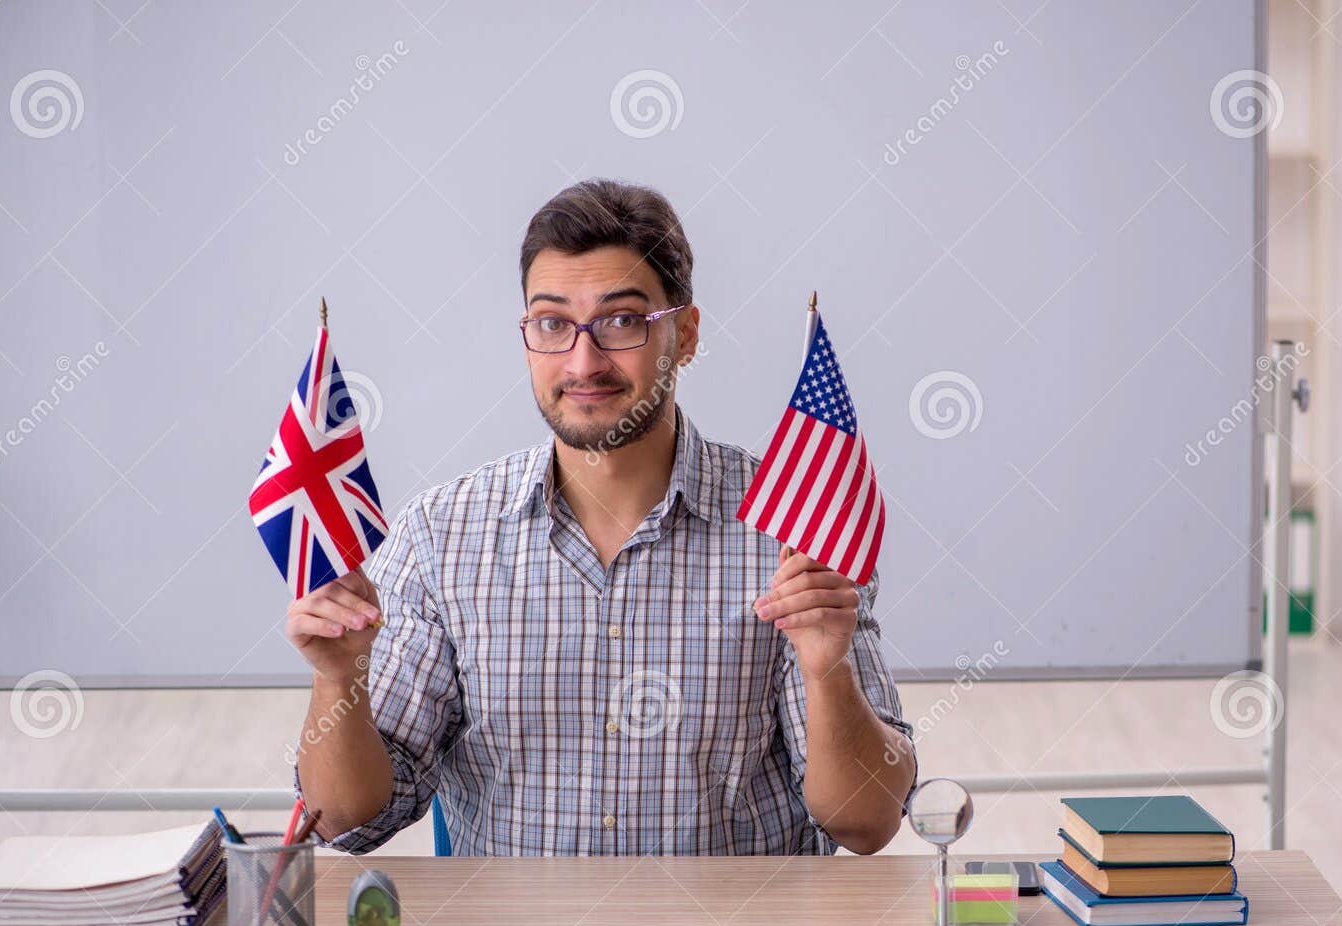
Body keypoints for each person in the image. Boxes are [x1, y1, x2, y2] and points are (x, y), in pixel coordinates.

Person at [288, 178, 916, 856]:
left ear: (686, 334)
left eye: (622, 321)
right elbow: (346, 822)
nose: (583, 362)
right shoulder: (441, 535)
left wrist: (828, 670)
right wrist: (336, 680)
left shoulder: (796, 528)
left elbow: (866, 822)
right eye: (553, 323)